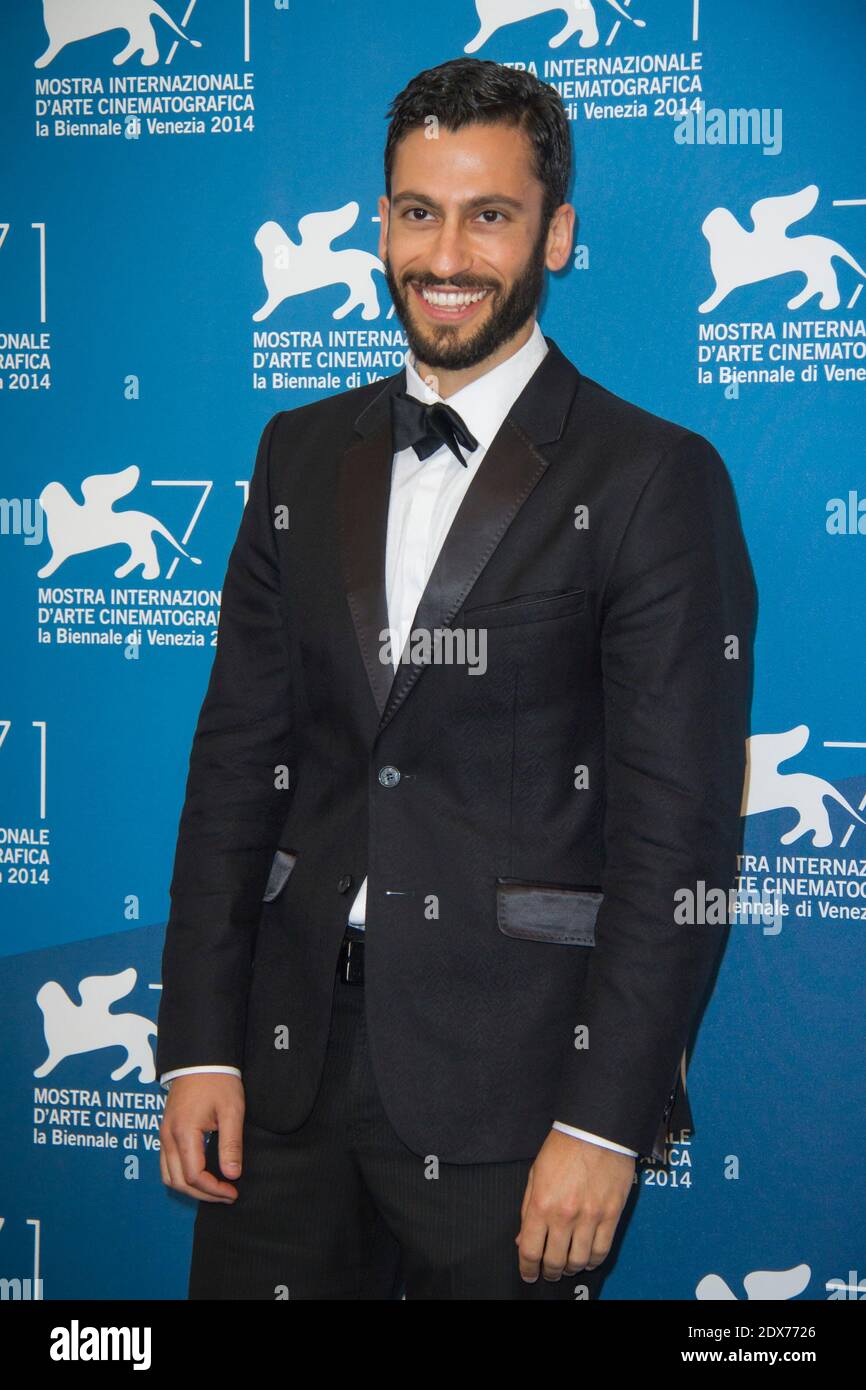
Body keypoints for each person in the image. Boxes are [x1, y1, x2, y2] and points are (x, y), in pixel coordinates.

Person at [156, 57, 756, 1300]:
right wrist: (197, 1045)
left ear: (556, 234)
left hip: (519, 1097)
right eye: (417, 210)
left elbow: (676, 838)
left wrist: (602, 1123)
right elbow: (234, 764)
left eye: (489, 214)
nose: (446, 252)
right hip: (285, 1073)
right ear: (379, 223)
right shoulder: (297, 450)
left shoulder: (651, 478)